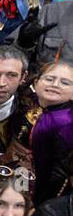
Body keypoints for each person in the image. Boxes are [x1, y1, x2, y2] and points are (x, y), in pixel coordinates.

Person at [27, 59, 73, 204]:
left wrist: (43, 205)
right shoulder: (28, 103)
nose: (55, 85)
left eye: (65, 83)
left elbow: (61, 174)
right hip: (20, 176)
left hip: (45, 194)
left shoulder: (66, 122)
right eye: (49, 79)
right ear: (36, 83)